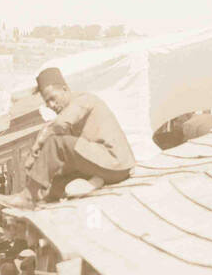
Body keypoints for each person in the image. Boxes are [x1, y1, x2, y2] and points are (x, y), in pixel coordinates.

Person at [22, 67, 134, 202]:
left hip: (114, 162)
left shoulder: (84, 99)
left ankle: (27, 197)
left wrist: (37, 145)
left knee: (56, 143)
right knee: (57, 181)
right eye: (47, 102)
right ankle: (39, 201)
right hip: (105, 166)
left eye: (53, 98)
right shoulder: (68, 116)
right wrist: (35, 162)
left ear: (65, 89)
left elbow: (58, 126)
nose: (51, 105)